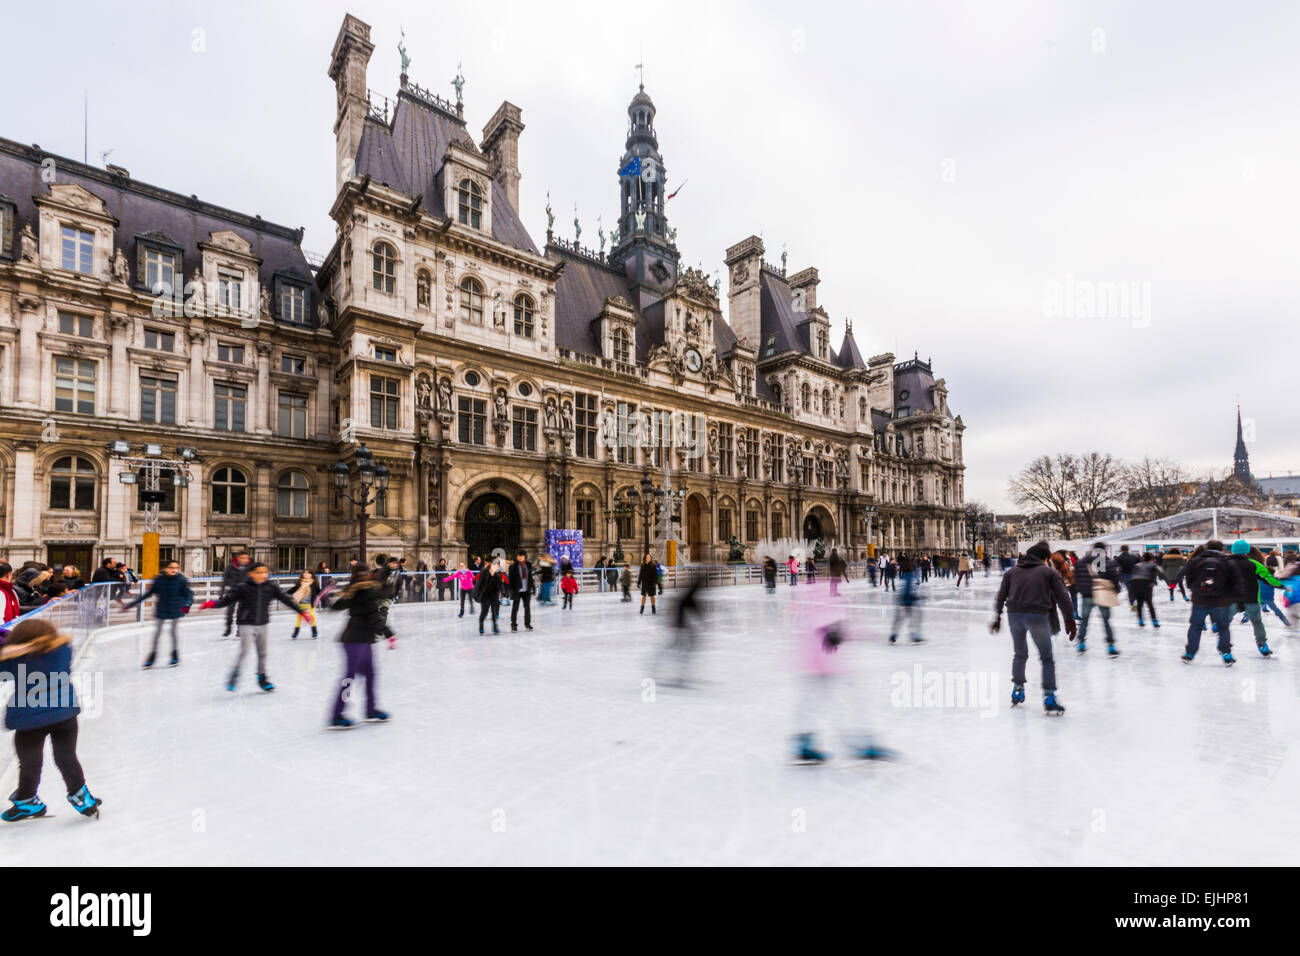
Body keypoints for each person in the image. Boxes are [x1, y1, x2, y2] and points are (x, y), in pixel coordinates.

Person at [0, 618, 102, 821]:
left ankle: (27, 802)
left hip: (30, 721)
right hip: (65, 716)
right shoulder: (63, 649)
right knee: (67, 758)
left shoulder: (14, 660)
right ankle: (83, 797)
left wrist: (6, 651)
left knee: (30, 763)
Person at [790, 590, 894, 763]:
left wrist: (869, 635)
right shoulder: (824, 597)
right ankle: (861, 742)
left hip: (826, 660)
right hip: (824, 661)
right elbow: (828, 626)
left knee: (820, 699)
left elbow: (841, 627)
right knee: (843, 698)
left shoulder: (829, 597)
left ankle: (805, 744)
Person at [991, 540, 1075, 714]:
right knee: (1046, 657)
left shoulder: (1012, 572)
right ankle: (1049, 696)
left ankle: (1017, 689)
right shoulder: (1048, 572)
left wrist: (997, 616)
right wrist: (1069, 619)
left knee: (1020, 654)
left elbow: (1001, 595)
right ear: (1044, 558)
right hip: (1037, 616)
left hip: (1014, 616)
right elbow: (1063, 598)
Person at [200, 562, 300, 692]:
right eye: (259, 572)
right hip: (246, 623)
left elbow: (285, 599)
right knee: (245, 651)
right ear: (251, 574)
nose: (263, 575)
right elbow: (226, 600)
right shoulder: (243, 587)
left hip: (263, 624)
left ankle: (262, 678)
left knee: (262, 653)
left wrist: (301, 611)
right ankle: (234, 674)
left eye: (265, 572)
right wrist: (211, 603)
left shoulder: (271, 587)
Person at [325, 569, 390, 728]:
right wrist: (390, 634)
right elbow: (374, 616)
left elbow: (335, 607)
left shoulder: (357, 591)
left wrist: (329, 596)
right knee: (349, 677)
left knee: (370, 674)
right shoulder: (362, 592)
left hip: (364, 640)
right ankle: (337, 714)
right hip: (354, 641)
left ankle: (371, 709)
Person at [1180, 540, 1246, 665]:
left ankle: (1190, 653)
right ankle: (1226, 653)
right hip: (1221, 601)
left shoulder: (1196, 560)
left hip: (1200, 599)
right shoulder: (1227, 562)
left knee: (1195, 626)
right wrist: (1239, 599)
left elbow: (1188, 578)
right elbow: (1237, 582)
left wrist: (1194, 589)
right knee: (1223, 627)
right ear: (1221, 549)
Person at [119, 559, 193, 667]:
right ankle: (152, 656)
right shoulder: (159, 580)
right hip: (162, 609)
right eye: (171, 568)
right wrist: (130, 605)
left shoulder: (181, 580)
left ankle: (175, 655)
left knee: (173, 633)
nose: (174, 570)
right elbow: (147, 594)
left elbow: (189, 595)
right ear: (165, 568)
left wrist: (187, 605)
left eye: (176, 568)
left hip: (176, 609)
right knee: (157, 634)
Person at [1226, 540, 1285, 657]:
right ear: (1247, 551)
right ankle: (1262, 645)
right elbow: (1268, 578)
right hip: (1251, 598)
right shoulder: (1254, 564)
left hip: (1231, 599)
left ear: (1233, 550)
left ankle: (1224, 643)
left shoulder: (1225, 563)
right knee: (1257, 622)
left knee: (1225, 622)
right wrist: (1281, 585)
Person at [1074, 543, 1120, 655]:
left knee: (1085, 620)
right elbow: (1114, 577)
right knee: (1106, 621)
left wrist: (1082, 590)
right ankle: (1110, 645)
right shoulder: (1107, 562)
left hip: (1087, 595)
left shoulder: (1081, 563)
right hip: (1102, 594)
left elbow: (1077, 577)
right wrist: (1116, 590)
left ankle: (1081, 643)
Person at [889, 553, 923, 644]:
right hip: (907, 601)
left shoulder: (905, 574)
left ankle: (894, 635)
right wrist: (914, 597)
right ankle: (914, 636)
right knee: (913, 619)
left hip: (903, 600)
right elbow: (908, 588)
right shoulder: (909, 574)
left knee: (899, 619)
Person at [218, 552, 252, 638]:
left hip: (245, 593)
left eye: (246, 558)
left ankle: (239, 629)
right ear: (238, 558)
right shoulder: (230, 567)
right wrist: (221, 593)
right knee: (230, 612)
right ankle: (228, 627)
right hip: (233, 592)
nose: (245, 560)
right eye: (242, 558)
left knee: (241, 612)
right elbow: (224, 580)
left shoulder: (250, 568)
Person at [1129, 552, 1166, 628]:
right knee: (1149, 603)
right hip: (1146, 584)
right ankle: (1154, 621)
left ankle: (1140, 621)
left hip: (1135, 584)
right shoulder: (1153, 565)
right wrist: (1166, 580)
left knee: (1139, 603)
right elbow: (1161, 572)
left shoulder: (1136, 565)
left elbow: (1132, 574)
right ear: (1152, 559)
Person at [473, 558, 503, 634]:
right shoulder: (484, 571)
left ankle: (495, 627)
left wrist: (495, 575)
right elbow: (479, 583)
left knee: (494, 611)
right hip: (485, 594)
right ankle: (481, 624)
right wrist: (476, 594)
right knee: (484, 610)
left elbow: (499, 584)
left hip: (494, 595)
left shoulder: (498, 573)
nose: (496, 566)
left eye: (498, 565)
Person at [289, 569, 320, 639]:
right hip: (301, 603)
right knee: (299, 618)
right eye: (305, 573)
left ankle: (314, 632)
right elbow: (294, 589)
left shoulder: (314, 583)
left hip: (310, 603)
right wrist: (286, 593)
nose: (306, 574)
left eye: (308, 573)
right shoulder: (300, 582)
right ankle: (295, 632)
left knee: (312, 617)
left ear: (311, 575)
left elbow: (319, 592)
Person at [508, 550, 534, 631]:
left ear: (525, 556)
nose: (520, 557)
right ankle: (513, 624)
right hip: (517, 590)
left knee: (527, 608)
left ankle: (527, 624)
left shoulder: (528, 565)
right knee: (515, 608)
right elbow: (511, 579)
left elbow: (530, 577)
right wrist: (511, 590)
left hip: (526, 590)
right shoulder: (513, 566)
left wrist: (532, 587)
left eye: (522, 556)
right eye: (519, 556)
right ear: (516, 557)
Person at [1116, 544, 1140, 611]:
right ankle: (1137, 602)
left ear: (1121, 550)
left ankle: (1132, 605)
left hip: (1125, 575)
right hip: (1135, 575)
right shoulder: (1134, 557)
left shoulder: (1119, 558)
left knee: (1130, 590)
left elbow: (1117, 568)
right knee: (1135, 589)